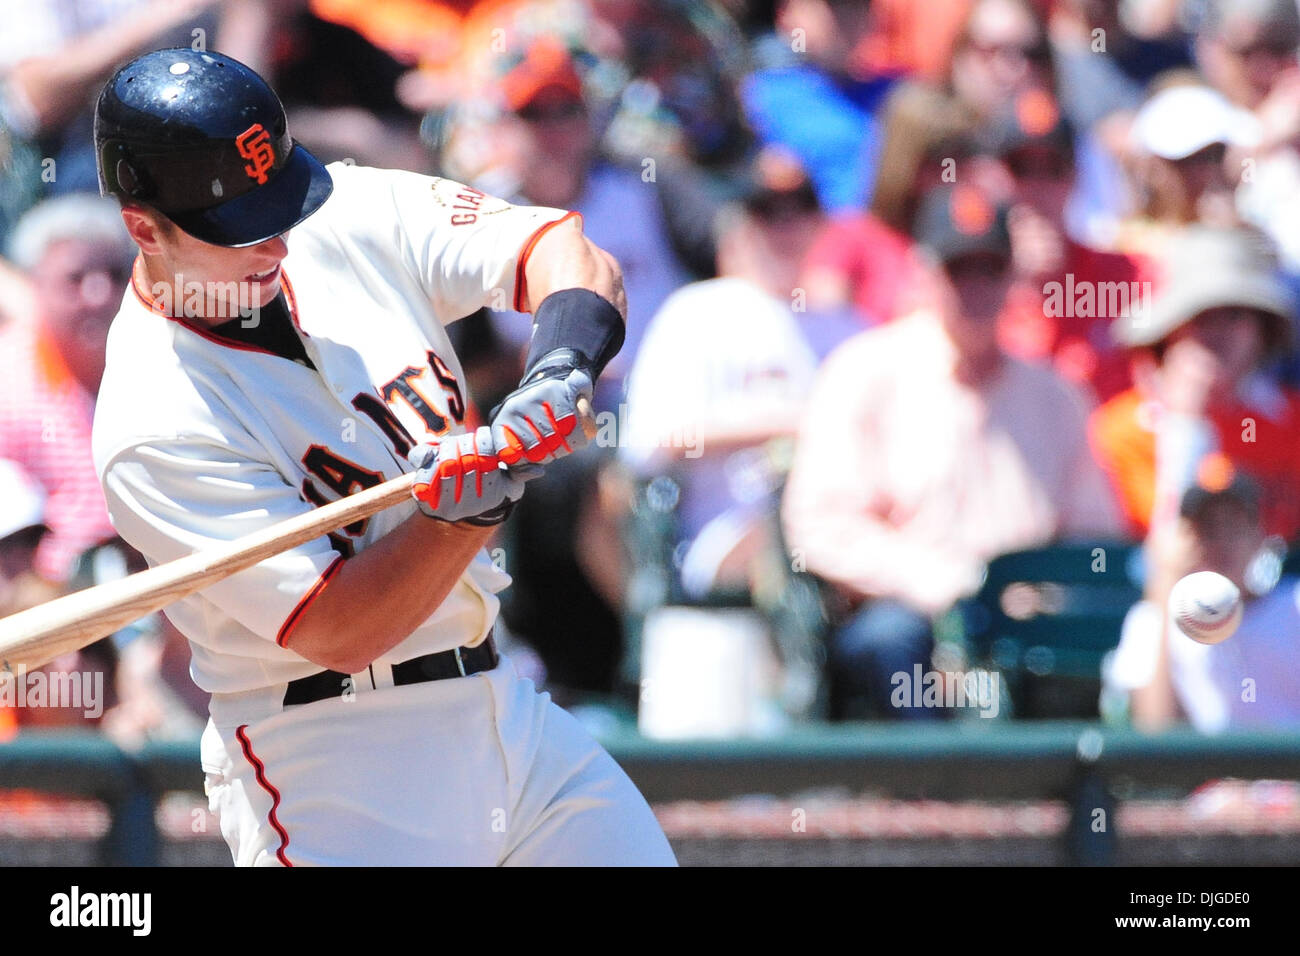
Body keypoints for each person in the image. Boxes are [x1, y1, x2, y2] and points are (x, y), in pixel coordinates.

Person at [90, 48, 674, 866]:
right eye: (241, 229)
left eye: (280, 207)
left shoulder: (344, 208)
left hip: (504, 708)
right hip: (335, 766)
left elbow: (561, 252)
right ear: (143, 226)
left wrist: (558, 369)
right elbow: (342, 628)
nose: (278, 244)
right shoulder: (153, 423)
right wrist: (464, 516)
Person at [781, 182, 1121, 719]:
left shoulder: (1056, 396)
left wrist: (1036, 592)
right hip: (907, 612)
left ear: (1015, 277)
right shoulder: (865, 372)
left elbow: (1094, 536)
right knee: (891, 641)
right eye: (958, 270)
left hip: (1029, 618)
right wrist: (944, 584)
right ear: (924, 272)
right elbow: (821, 525)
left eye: (990, 270)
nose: (976, 288)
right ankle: (935, 797)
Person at [1090, 226, 1300, 541]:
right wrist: (1185, 424)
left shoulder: (1290, 422)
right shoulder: (1122, 430)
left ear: (1261, 329)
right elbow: (1164, 550)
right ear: (1170, 330)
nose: (1217, 333)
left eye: (1234, 314)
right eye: (1200, 315)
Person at [1105, 458, 1300, 733]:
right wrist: (1163, 580)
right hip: (1213, 774)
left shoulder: (1294, 605)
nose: (1221, 542)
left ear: (1258, 536)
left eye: (1233, 526)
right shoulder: (1152, 618)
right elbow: (1153, 730)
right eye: (1207, 528)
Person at [0, 194, 132, 581]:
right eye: (74, 279)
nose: (99, 295)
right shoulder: (9, 384)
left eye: (113, 275)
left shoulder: (157, 362)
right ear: (35, 285)